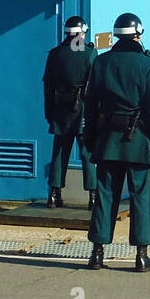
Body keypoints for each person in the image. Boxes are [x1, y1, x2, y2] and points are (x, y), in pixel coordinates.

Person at [84, 13, 150, 272]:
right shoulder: (148, 65)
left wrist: (90, 138)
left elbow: (90, 105)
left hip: (107, 140)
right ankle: (141, 255)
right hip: (137, 140)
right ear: (138, 34)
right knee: (140, 196)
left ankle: (97, 253)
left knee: (106, 196)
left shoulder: (101, 62)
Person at [42, 15, 97, 210]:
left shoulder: (55, 54)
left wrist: (49, 113)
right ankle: (92, 196)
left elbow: (47, 87)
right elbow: (95, 87)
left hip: (60, 109)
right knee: (87, 152)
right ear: (81, 33)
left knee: (59, 152)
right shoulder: (89, 53)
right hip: (82, 109)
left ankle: (54, 195)